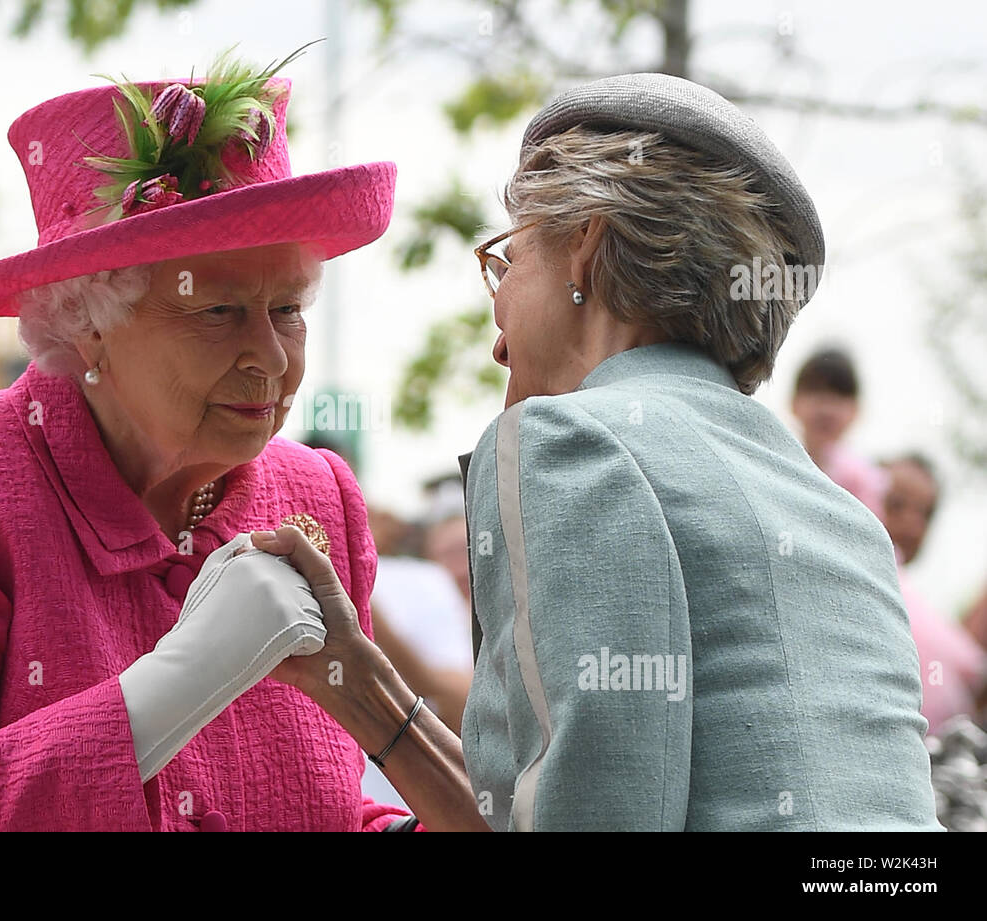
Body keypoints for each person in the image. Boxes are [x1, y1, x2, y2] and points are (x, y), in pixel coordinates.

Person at [248, 73, 942, 830]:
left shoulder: (572, 442)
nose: (496, 330)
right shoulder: (842, 516)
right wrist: (366, 691)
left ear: (588, 246)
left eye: (507, 259)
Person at [0, 48, 428, 831]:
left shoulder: (318, 495)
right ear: (88, 323)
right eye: (218, 312)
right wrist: (175, 684)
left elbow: (327, 807)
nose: (272, 359)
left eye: (287, 309)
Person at [878, 453, 986, 732]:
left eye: (924, 513)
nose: (912, 525)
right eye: (896, 505)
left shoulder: (907, 595)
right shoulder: (870, 579)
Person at [790, 348, 888, 519]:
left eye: (840, 395)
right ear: (794, 402)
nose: (827, 407)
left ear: (855, 410)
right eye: (815, 390)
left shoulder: (866, 484)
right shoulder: (778, 462)